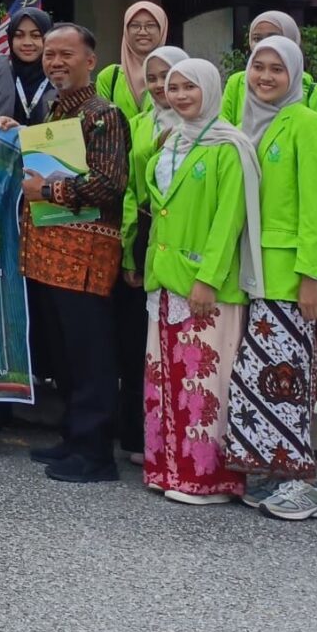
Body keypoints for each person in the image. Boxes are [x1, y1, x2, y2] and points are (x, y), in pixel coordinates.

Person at [223, 34, 317, 521]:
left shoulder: (306, 123)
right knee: (260, 380)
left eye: (277, 69)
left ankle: (304, 483)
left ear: (294, 76)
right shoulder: (257, 123)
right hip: (259, 274)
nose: (265, 77)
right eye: (258, 67)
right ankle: (271, 471)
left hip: (290, 277)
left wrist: (313, 274)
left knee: (287, 380)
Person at [139, 57, 261, 504]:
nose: (182, 96)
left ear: (209, 90)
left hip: (205, 284)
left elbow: (230, 219)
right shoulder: (169, 142)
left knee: (202, 381)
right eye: (175, 88)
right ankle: (168, 468)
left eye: (191, 87)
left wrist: (209, 277)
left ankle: (207, 478)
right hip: (165, 277)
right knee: (164, 374)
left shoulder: (229, 146)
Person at [18, 23, 130, 482]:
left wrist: (47, 188)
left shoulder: (103, 114)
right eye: (49, 55)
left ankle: (96, 452)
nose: (56, 62)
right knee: (63, 353)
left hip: (85, 255)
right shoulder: (52, 110)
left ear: (90, 61)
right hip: (49, 251)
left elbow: (109, 183)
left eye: (66, 54)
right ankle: (73, 436)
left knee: (89, 355)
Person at [114, 42, 189, 459]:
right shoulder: (140, 123)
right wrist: (128, 252)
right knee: (138, 347)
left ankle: (180, 445)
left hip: (184, 243)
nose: (162, 86)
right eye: (155, 77)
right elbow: (129, 189)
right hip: (143, 234)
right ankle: (138, 439)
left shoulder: (207, 126)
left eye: (170, 77)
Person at [220, 10, 317, 122]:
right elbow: (222, 129)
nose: (264, 44)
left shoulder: (314, 92)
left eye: (274, 37)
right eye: (257, 39)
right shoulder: (236, 83)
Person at [96, 1, 168, 128]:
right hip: (118, 147)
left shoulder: (176, 74)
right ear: (126, 30)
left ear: (162, 29)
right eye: (135, 26)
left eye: (150, 26)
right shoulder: (110, 77)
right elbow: (101, 123)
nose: (143, 32)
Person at [5, 6, 55, 127]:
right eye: (19, 35)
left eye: (36, 35)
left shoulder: (59, 78)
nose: (27, 43)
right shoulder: (2, 77)